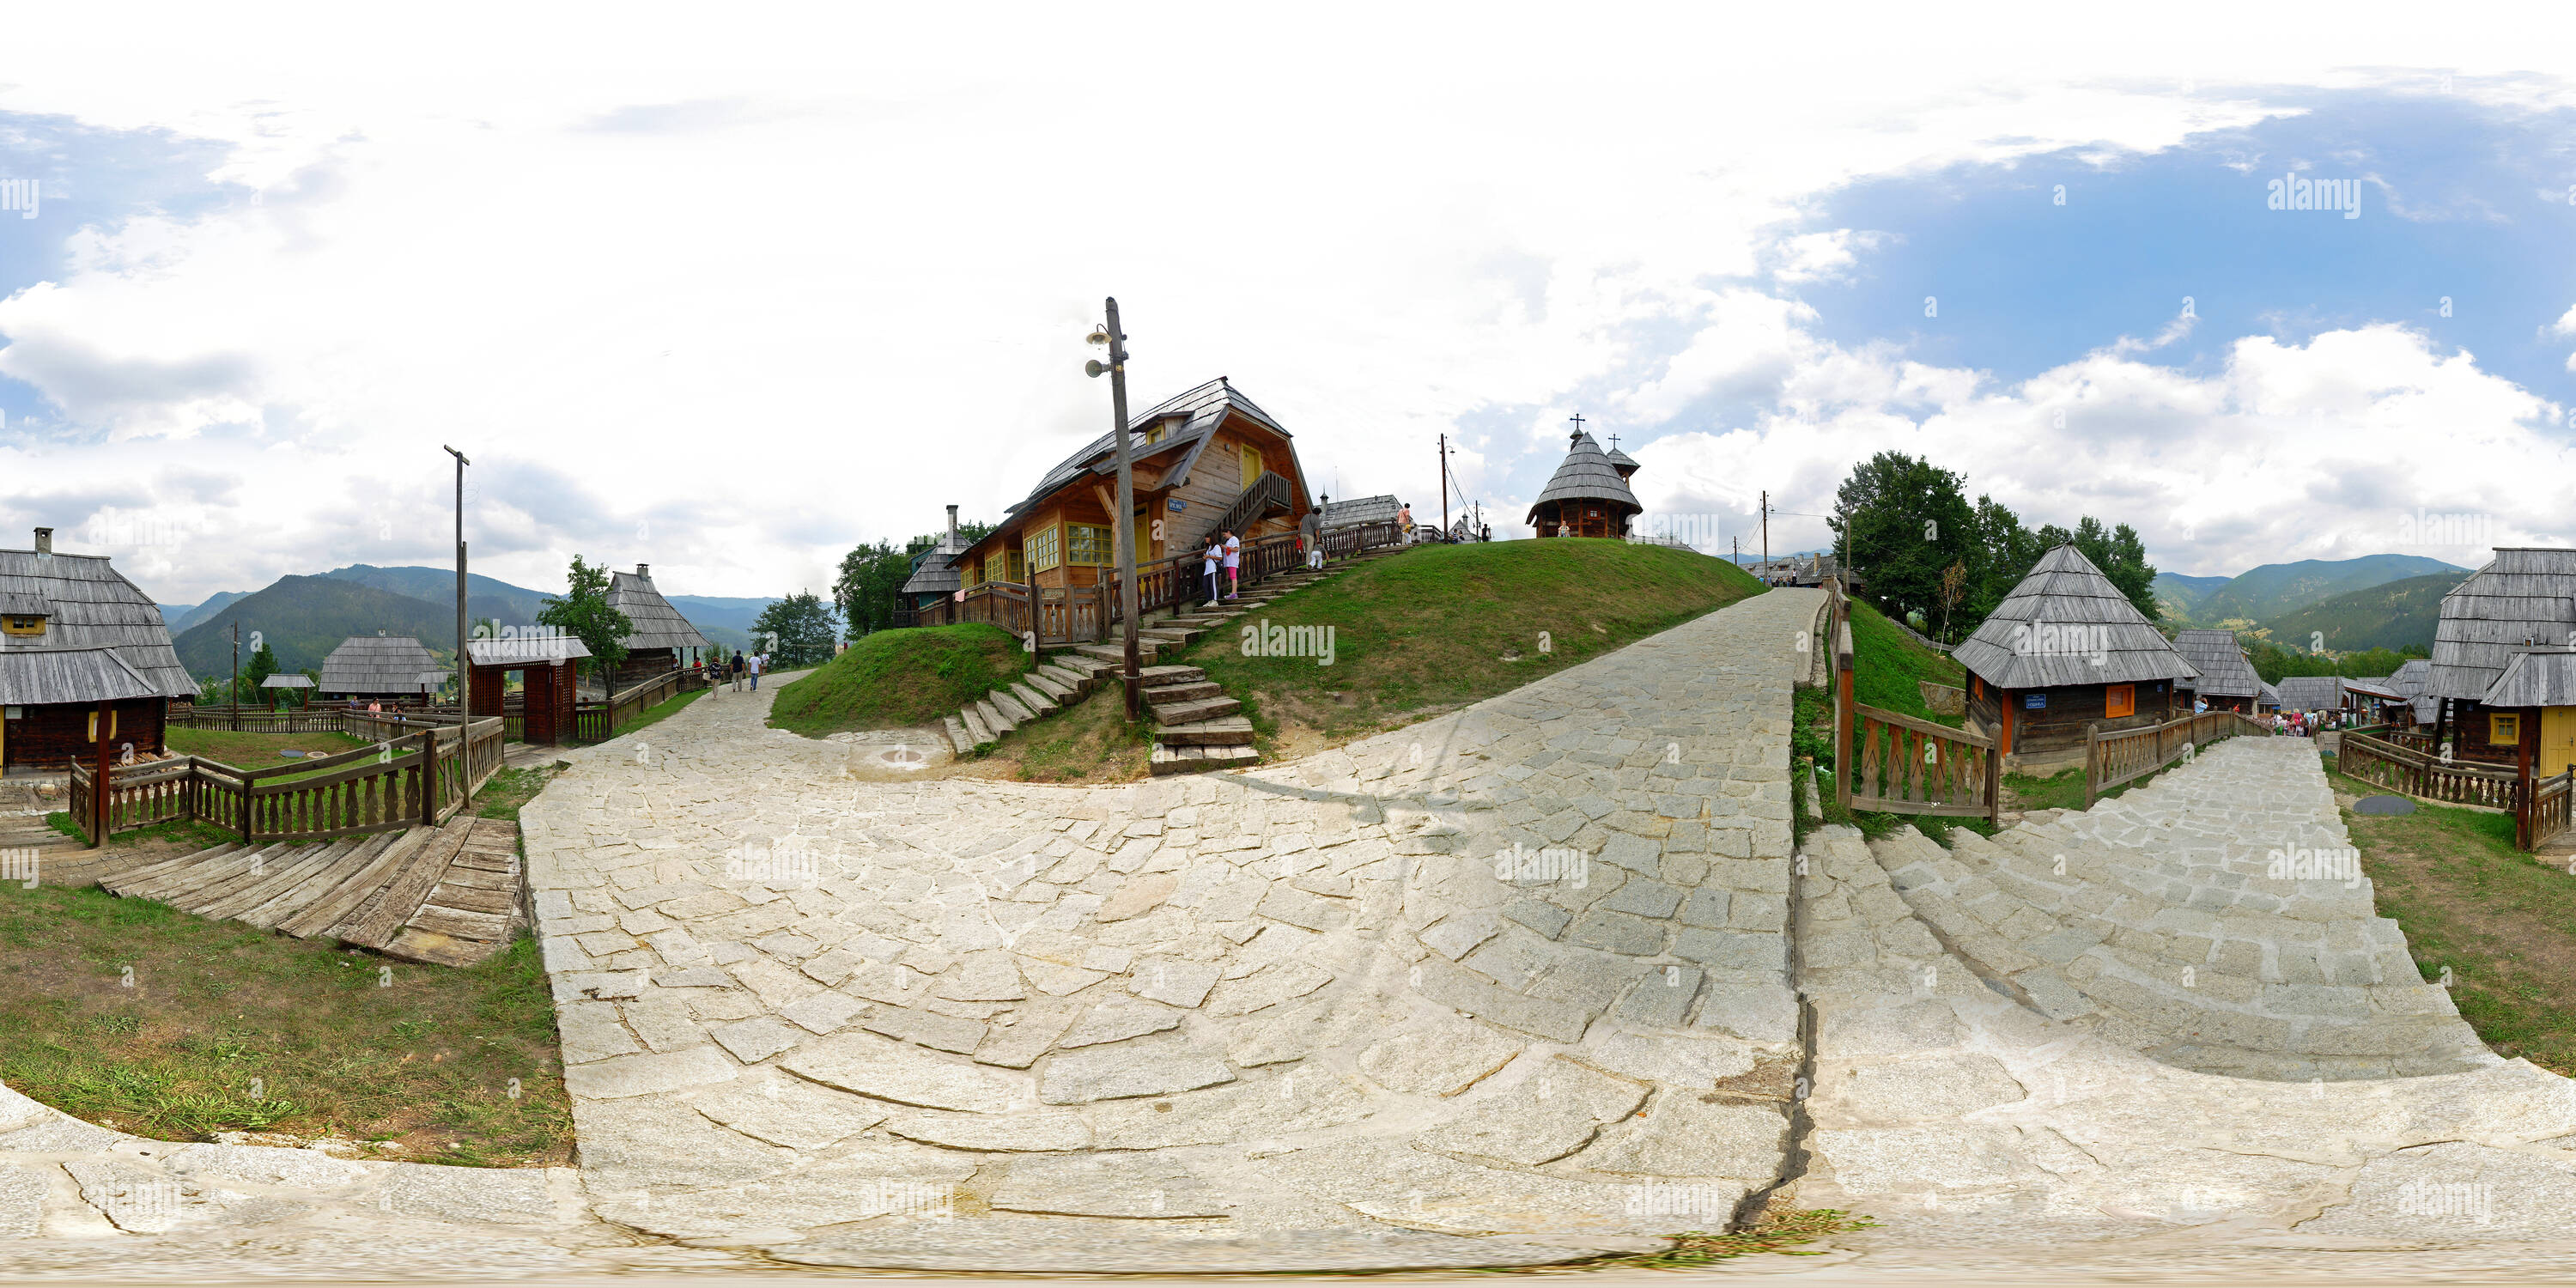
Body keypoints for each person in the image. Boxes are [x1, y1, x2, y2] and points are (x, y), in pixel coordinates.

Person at [1202, 535, 1224, 607]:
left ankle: (1215, 600)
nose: (1206, 539)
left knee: (1213, 584)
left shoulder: (1216, 547)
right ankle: (1209, 600)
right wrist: (1205, 557)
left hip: (1213, 568)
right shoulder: (1209, 547)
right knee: (1205, 585)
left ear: (1211, 538)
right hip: (1207, 569)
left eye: (1207, 537)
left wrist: (1209, 556)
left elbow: (1220, 558)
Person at [1223, 528, 1242, 598]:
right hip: (1229, 562)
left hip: (1232, 561)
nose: (1224, 536)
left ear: (1228, 532)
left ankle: (1234, 593)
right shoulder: (1229, 540)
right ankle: (1233, 593)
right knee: (1232, 577)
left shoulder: (1234, 539)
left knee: (1233, 577)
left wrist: (1226, 547)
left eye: (1224, 534)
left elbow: (1236, 549)